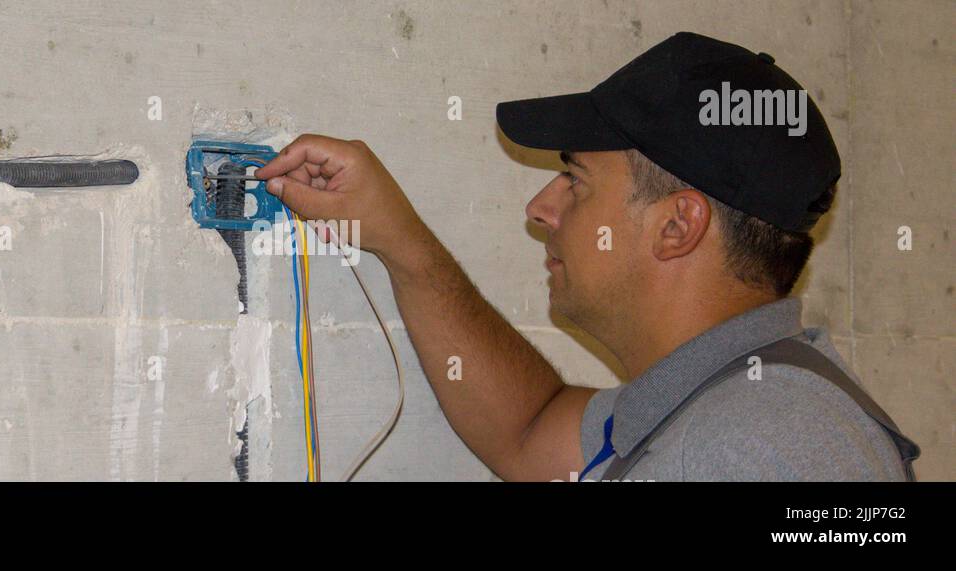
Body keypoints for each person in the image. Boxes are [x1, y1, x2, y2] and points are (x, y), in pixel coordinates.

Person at [254, 32, 919, 481]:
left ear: (677, 225)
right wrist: (404, 244)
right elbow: (527, 428)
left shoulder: (764, 446)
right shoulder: (722, 400)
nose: (542, 209)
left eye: (575, 178)